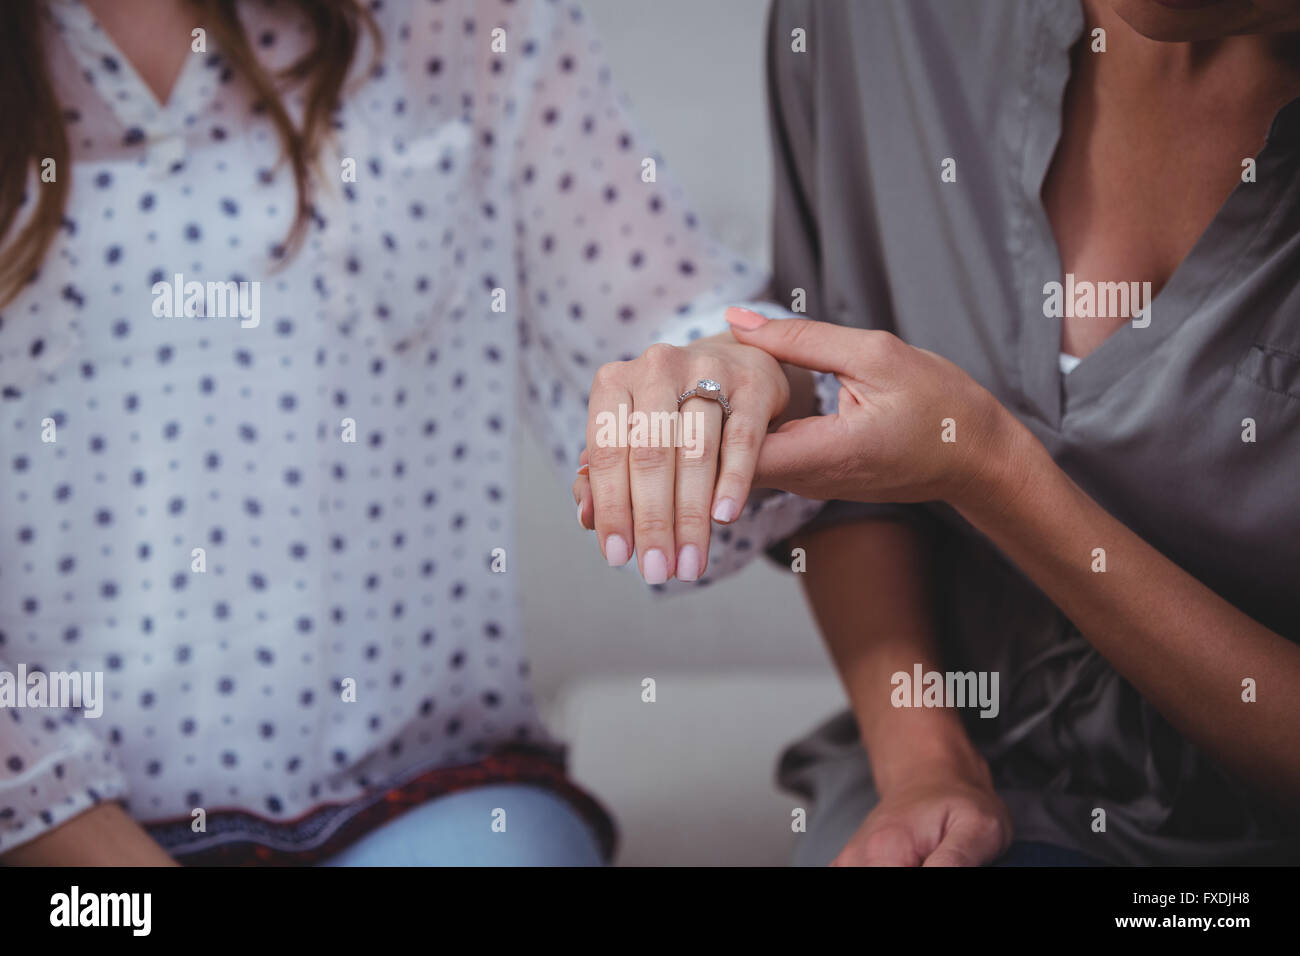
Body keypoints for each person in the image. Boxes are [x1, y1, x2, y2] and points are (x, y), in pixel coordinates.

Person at [0, 0, 818, 865]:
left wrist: (741, 377)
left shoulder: (473, 22)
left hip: (420, 799)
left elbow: (661, 311)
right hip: (44, 831)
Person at [577, 0, 1300, 865]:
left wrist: (990, 469)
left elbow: (961, 456)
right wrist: (926, 768)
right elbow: (848, 458)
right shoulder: (872, 24)